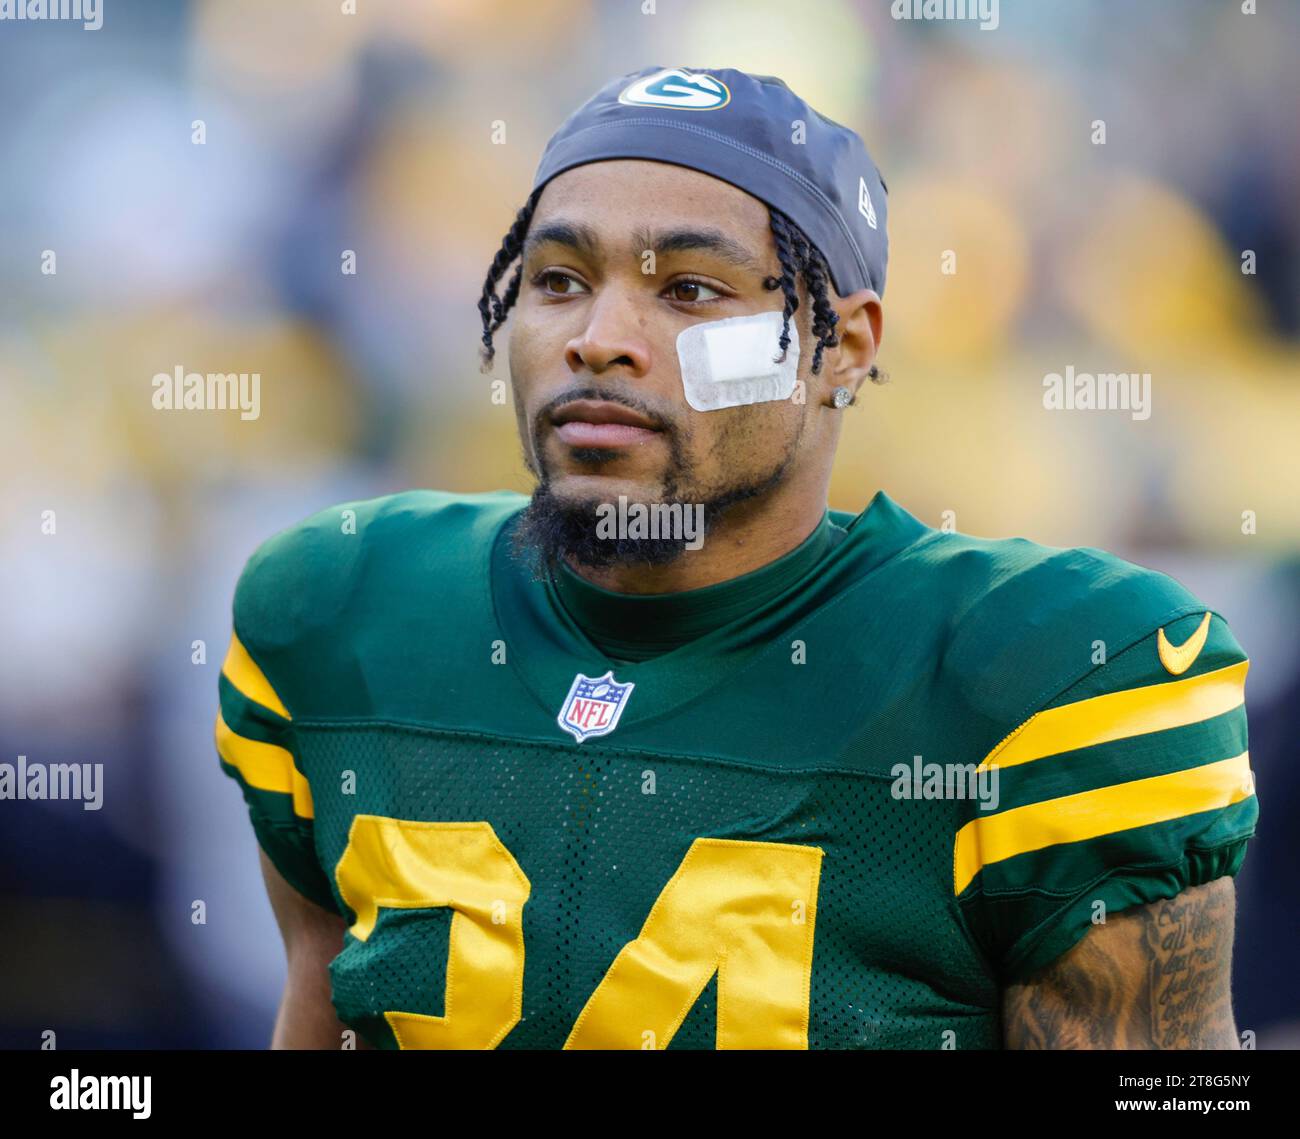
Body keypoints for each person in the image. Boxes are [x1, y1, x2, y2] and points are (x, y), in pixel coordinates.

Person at [216, 66, 1257, 1049]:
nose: (598, 335)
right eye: (559, 278)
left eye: (691, 291)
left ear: (840, 346)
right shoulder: (343, 608)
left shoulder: (1042, 678)